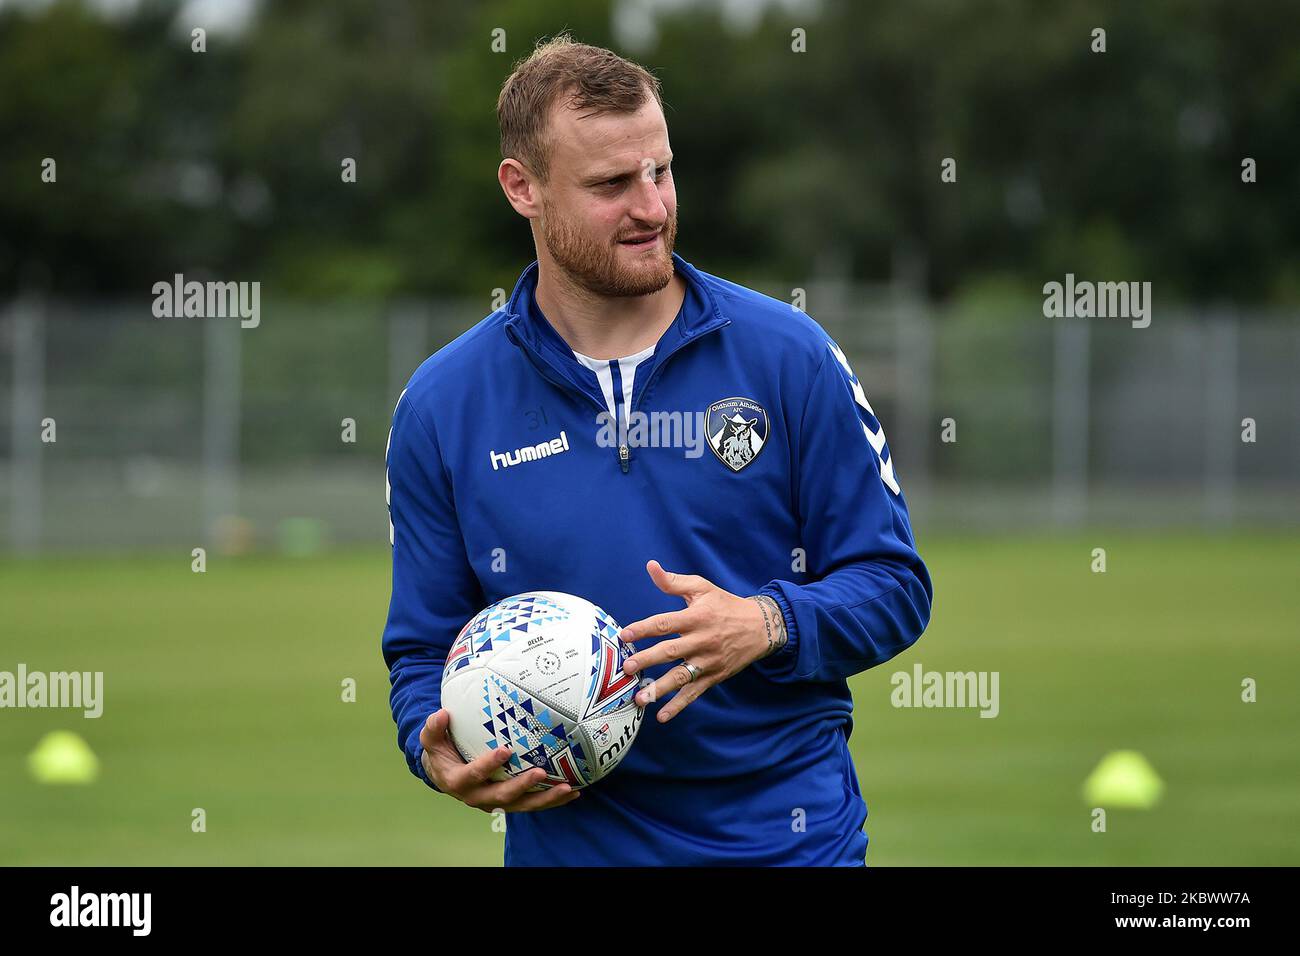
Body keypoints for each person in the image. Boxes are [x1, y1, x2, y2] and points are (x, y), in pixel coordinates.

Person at [381, 34, 933, 866]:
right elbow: (424, 647)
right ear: (521, 188)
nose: (652, 207)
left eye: (661, 171)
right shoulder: (443, 404)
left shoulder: (790, 358)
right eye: (611, 184)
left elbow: (894, 585)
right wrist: (435, 751)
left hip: (787, 846)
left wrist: (768, 621)